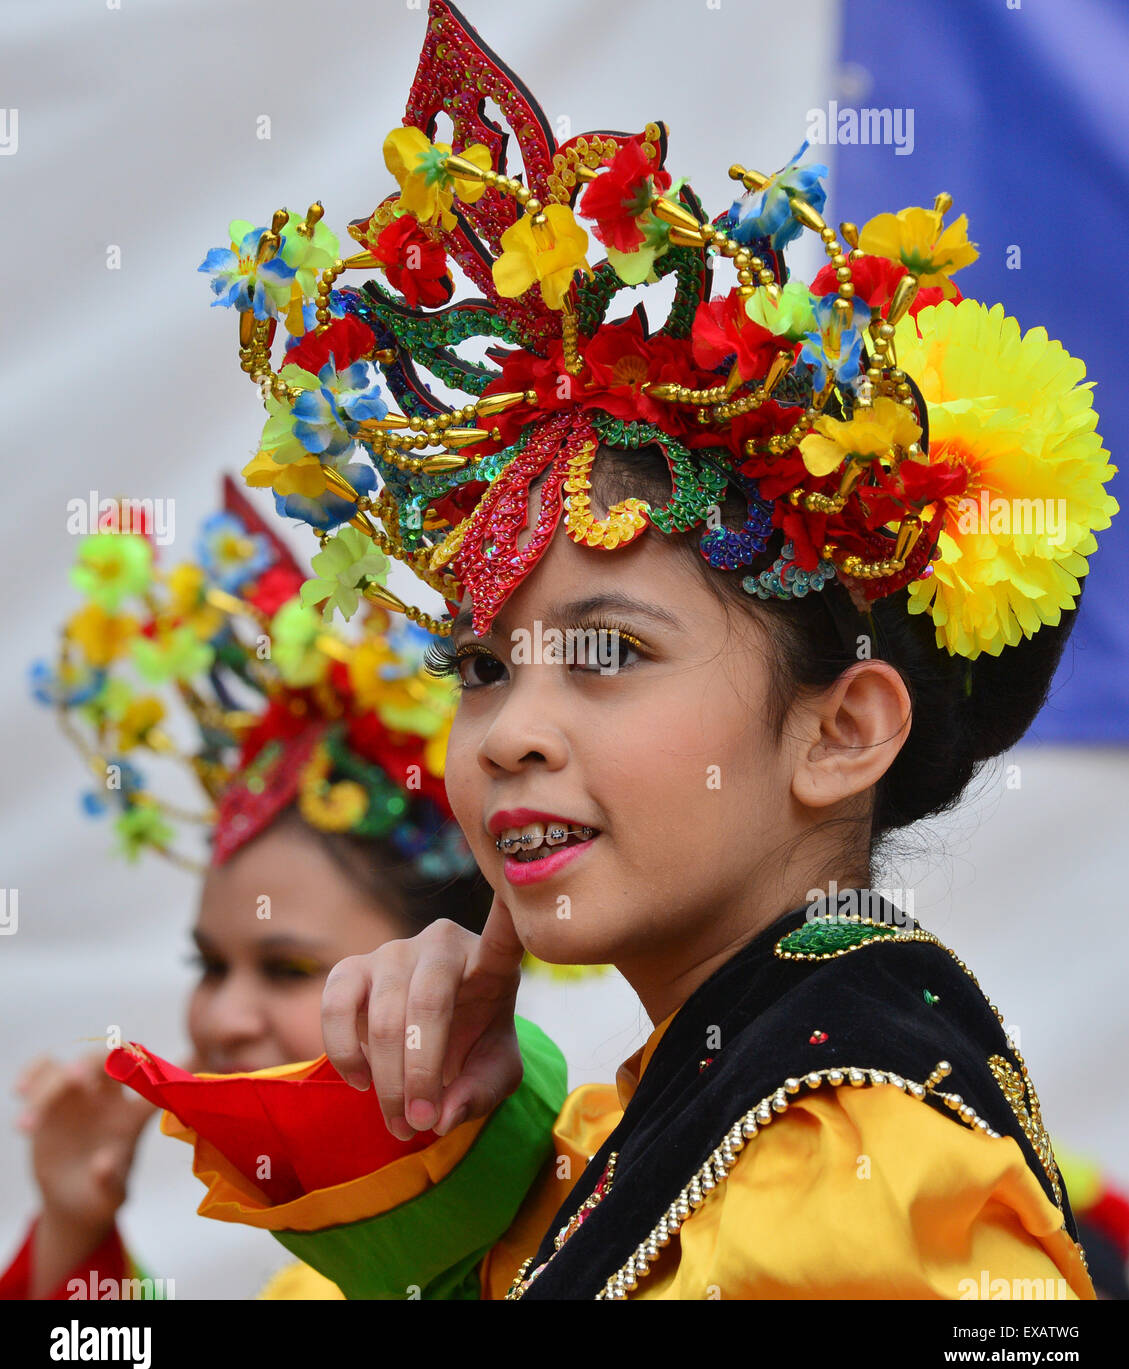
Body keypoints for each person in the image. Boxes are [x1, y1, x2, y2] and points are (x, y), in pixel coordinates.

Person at [109, 0, 1117, 1299]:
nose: (513, 728)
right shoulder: (667, 1123)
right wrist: (453, 1142)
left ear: (841, 729)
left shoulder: (846, 1184)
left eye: (606, 654)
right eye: (481, 665)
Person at [4, 487, 491, 1300]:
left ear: (450, 967)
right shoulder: (296, 1290)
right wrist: (76, 1229)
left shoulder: (593, 1205)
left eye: (289, 969)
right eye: (209, 966)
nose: (222, 1020)